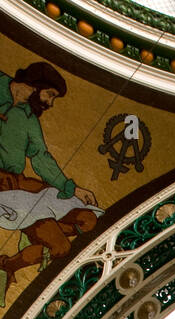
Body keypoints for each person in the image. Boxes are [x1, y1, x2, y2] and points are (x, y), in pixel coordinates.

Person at [0, 62, 100, 294]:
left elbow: (41, 157)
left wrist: (73, 189)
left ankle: (20, 252)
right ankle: (8, 265)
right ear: (35, 86)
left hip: (16, 183)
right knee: (60, 247)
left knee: (88, 220)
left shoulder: (29, 120)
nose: (50, 103)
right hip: (6, 190)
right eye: (50, 94)